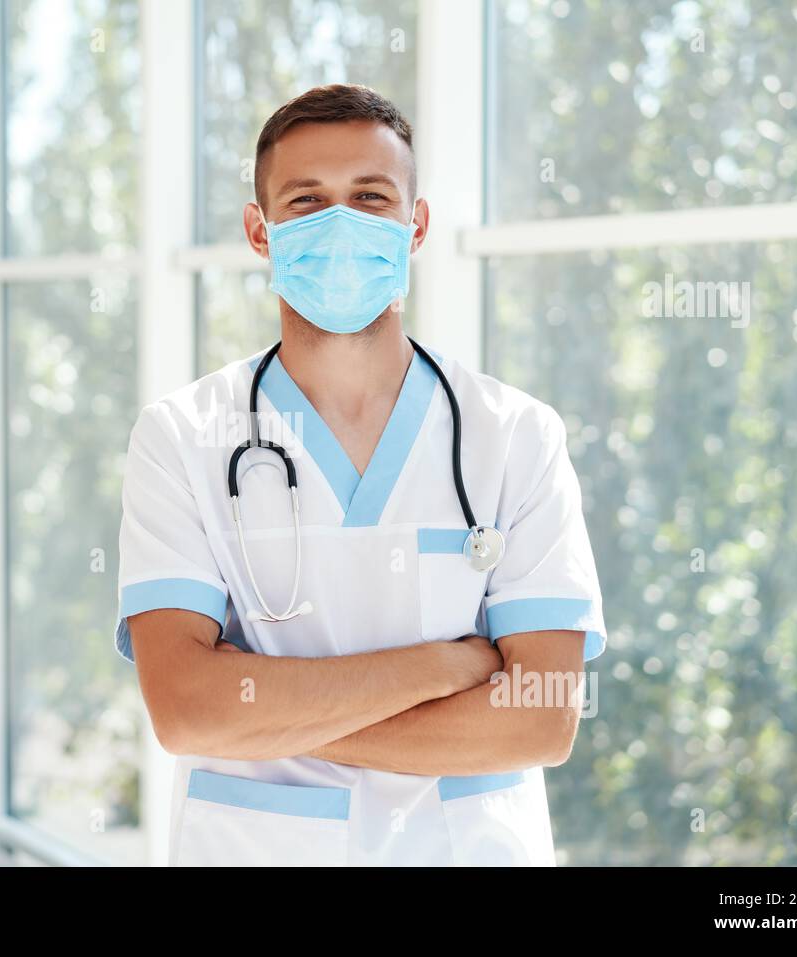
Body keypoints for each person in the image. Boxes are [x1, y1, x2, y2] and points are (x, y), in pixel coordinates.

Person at [114, 84, 606, 866]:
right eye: (306, 201)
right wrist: (448, 667)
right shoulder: (182, 437)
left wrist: (269, 711)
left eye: (370, 197)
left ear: (415, 226)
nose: (339, 224)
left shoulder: (516, 435)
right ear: (259, 231)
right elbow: (185, 712)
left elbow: (541, 718)